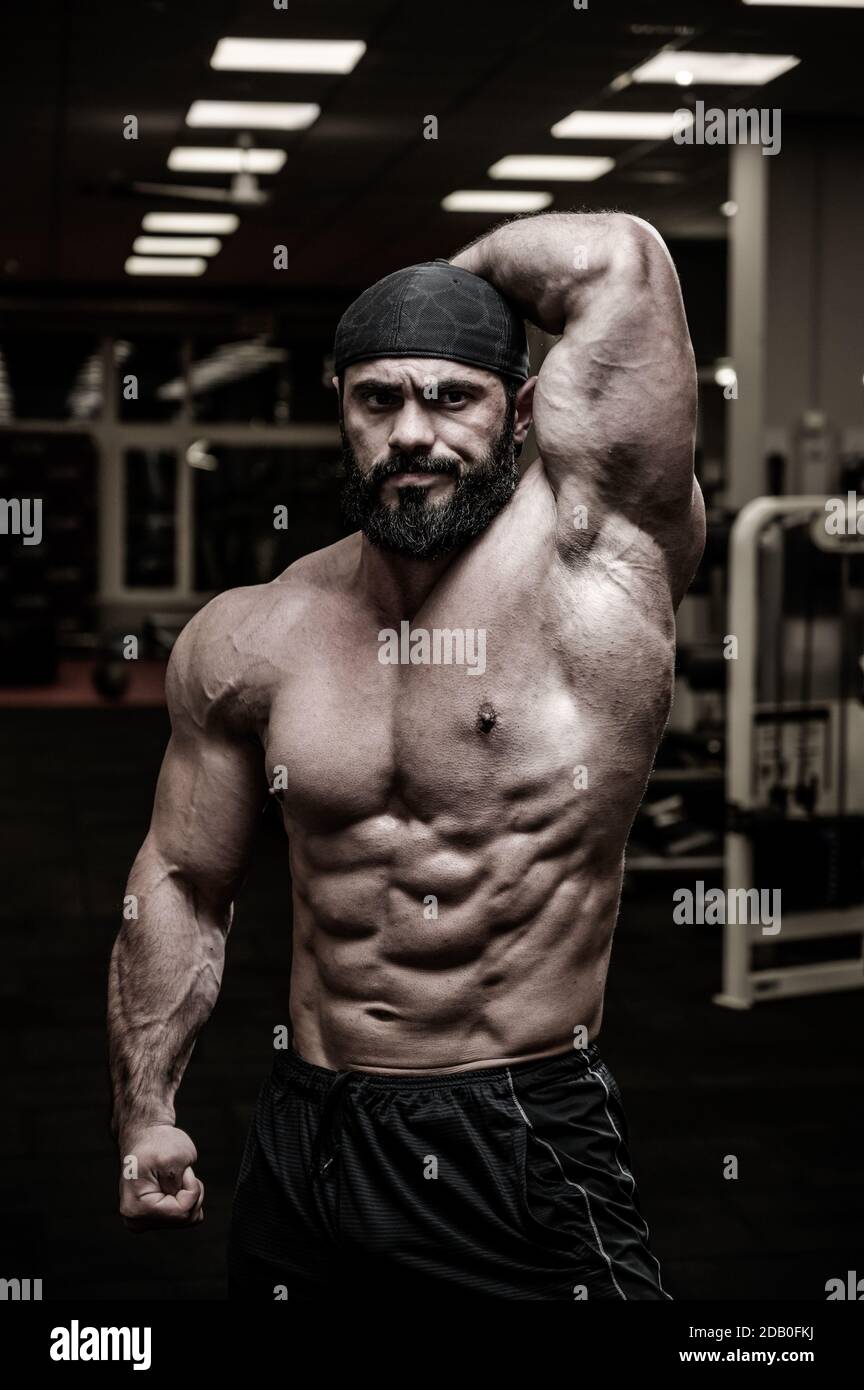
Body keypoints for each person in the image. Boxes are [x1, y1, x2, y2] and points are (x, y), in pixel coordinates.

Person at [108, 211, 704, 1300]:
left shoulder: (598, 568)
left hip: (513, 1126)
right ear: (340, 409)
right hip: (303, 1131)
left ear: (520, 411)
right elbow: (183, 880)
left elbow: (624, 258)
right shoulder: (252, 633)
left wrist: (440, 284)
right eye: (377, 397)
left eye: (452, 395)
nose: (412, 432)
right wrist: (147, 1111)